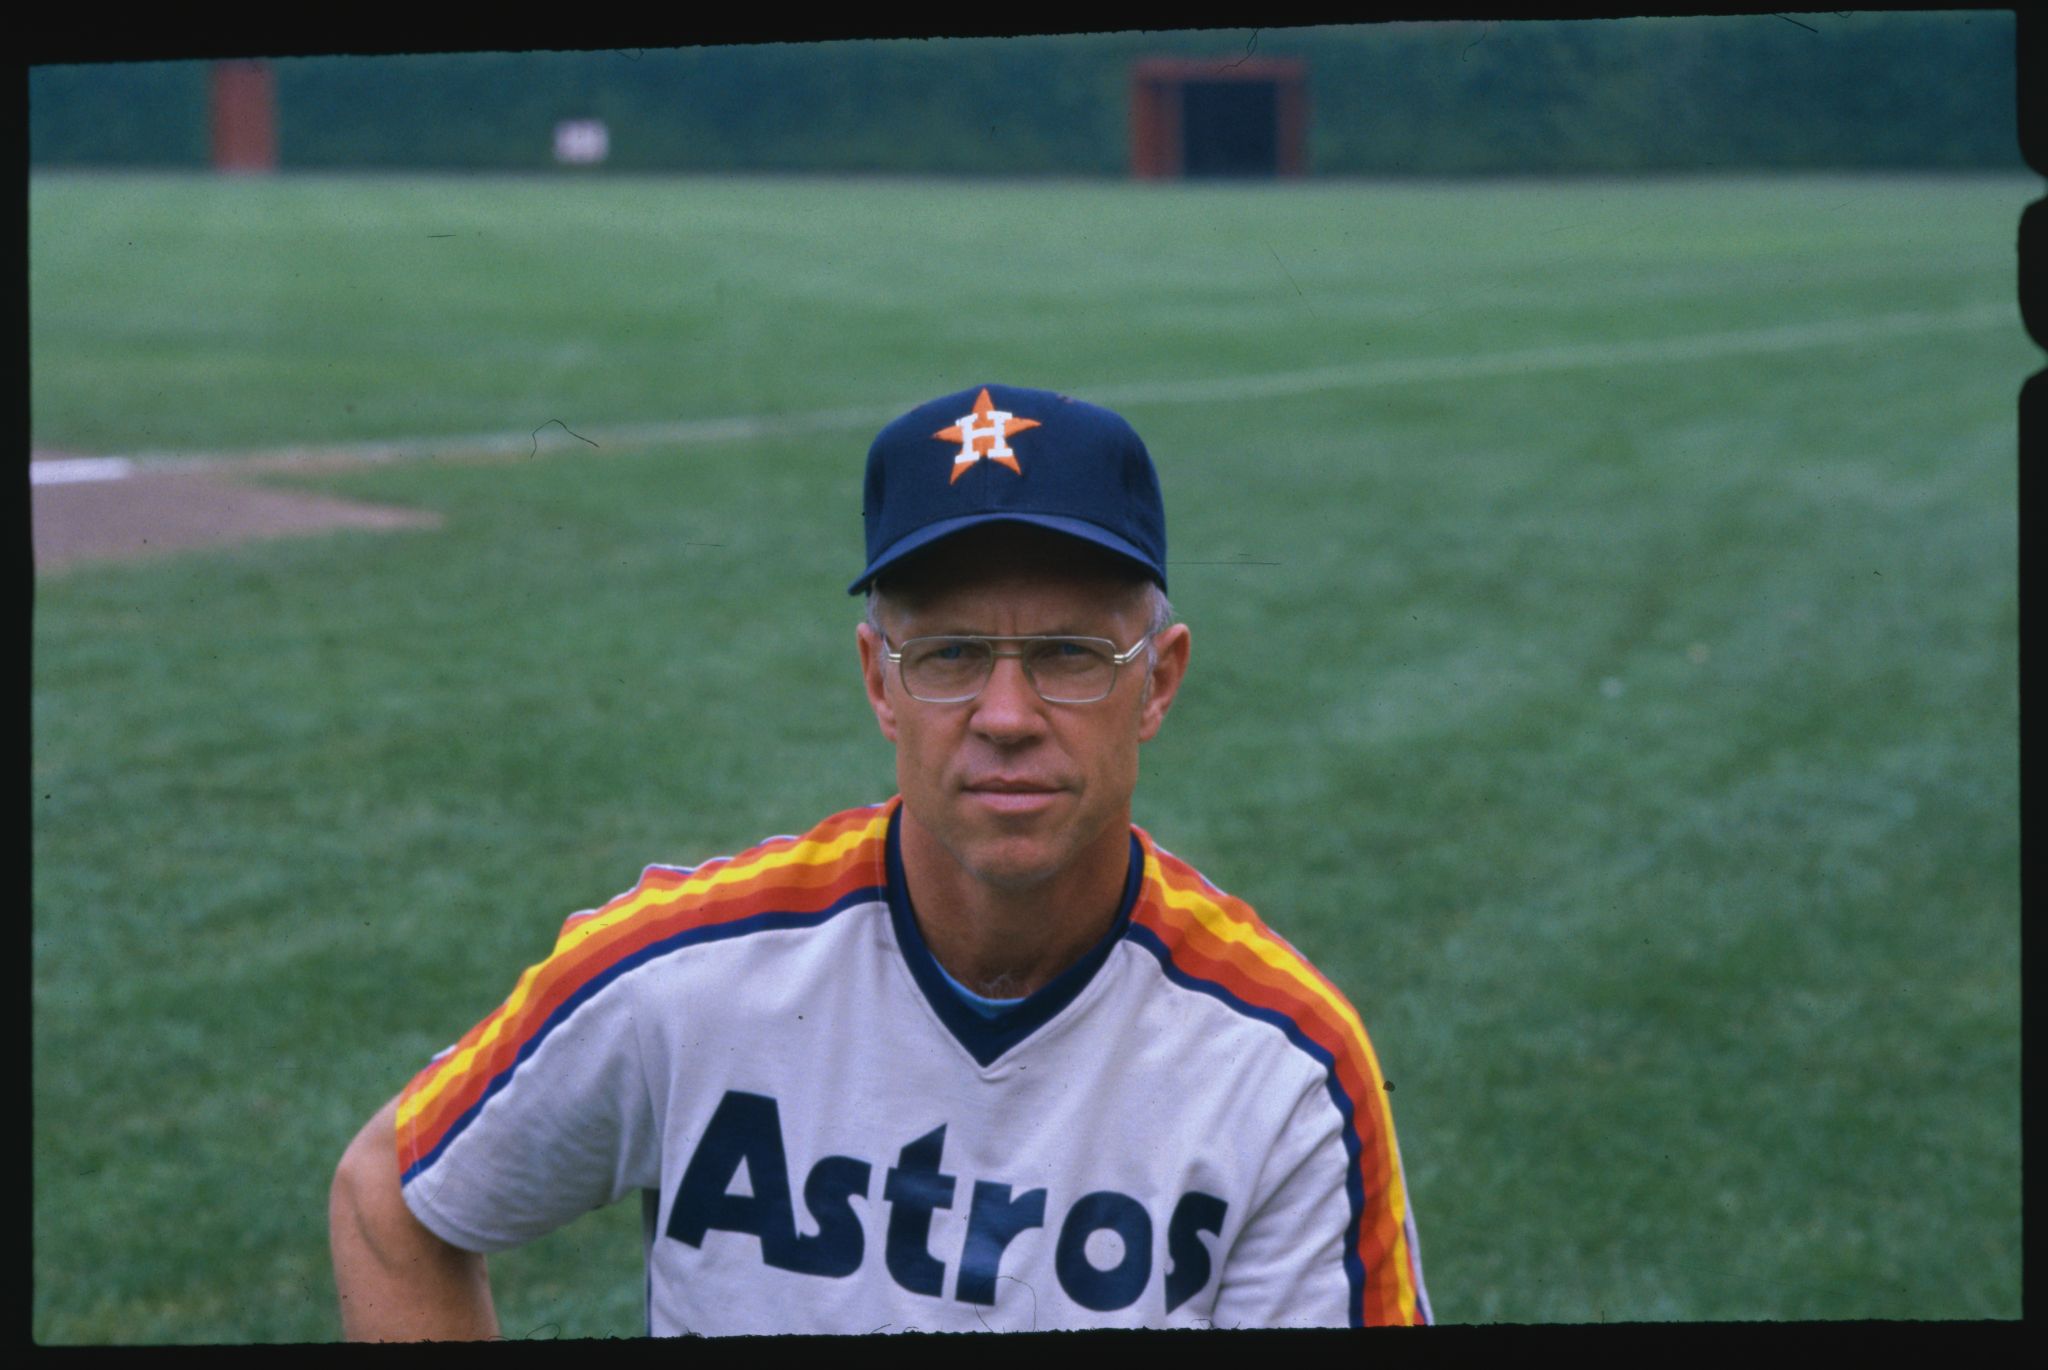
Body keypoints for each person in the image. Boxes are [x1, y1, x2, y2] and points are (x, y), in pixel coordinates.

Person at [329, 383, 1431, 1336]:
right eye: (948, 653)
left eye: (1068, 654)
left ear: (1158, 680)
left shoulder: (1283, 1067)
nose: (1006, 714)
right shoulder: (687, 968)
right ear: (876, 679)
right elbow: (394, 1193)